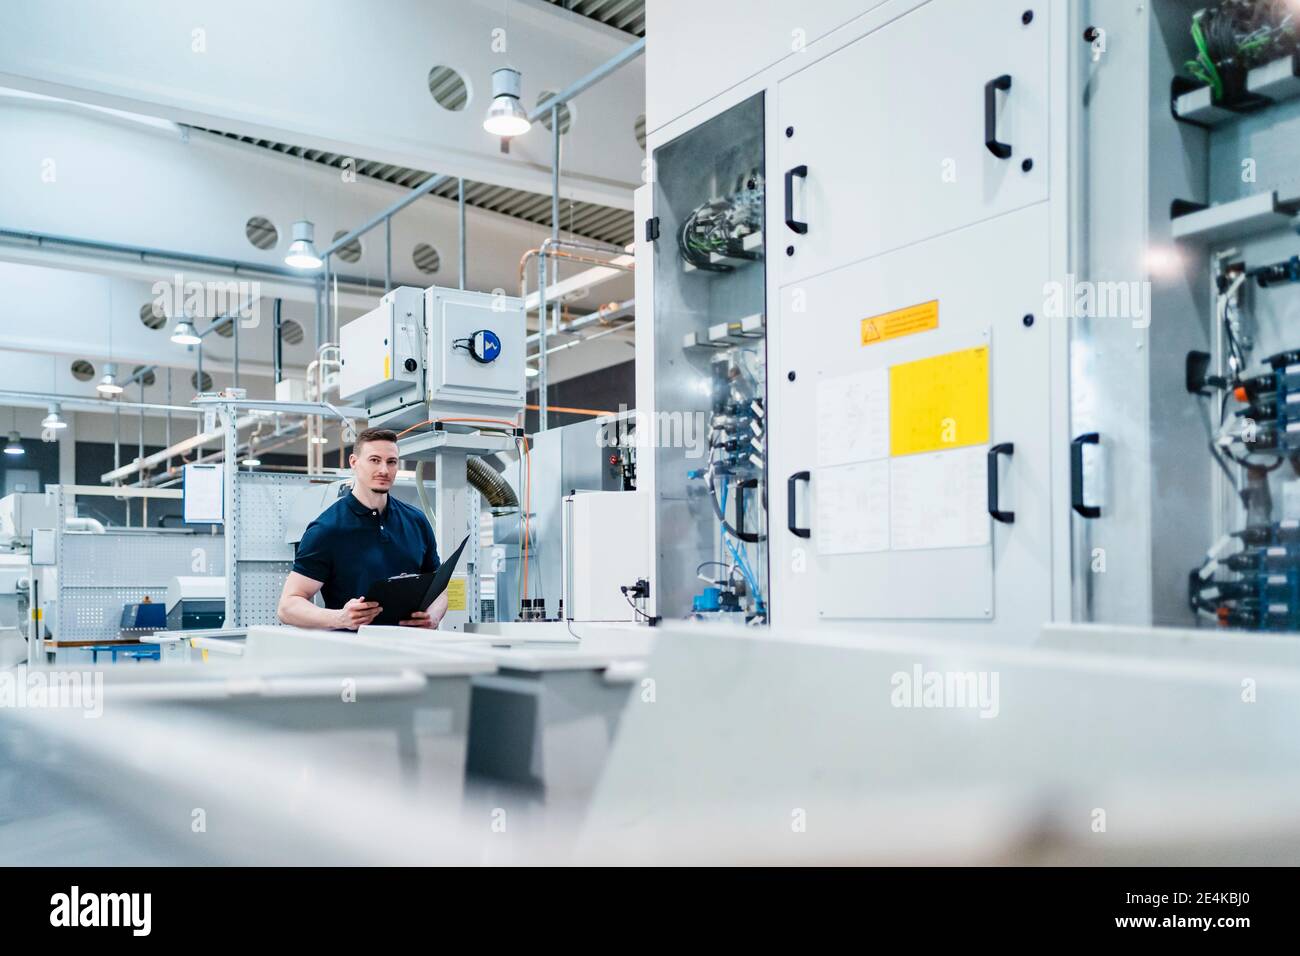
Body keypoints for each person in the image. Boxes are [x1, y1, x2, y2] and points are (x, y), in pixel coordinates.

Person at [277, 427, 449, 630]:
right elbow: (287, 607)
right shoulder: (327, 529)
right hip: (353, 654)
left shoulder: (417, 521)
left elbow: (439, 589)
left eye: (391, 462)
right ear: (354, 462)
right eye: (375, 460)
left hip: (409, 651)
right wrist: (339, 618)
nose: (384, 470)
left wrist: (433, 616)